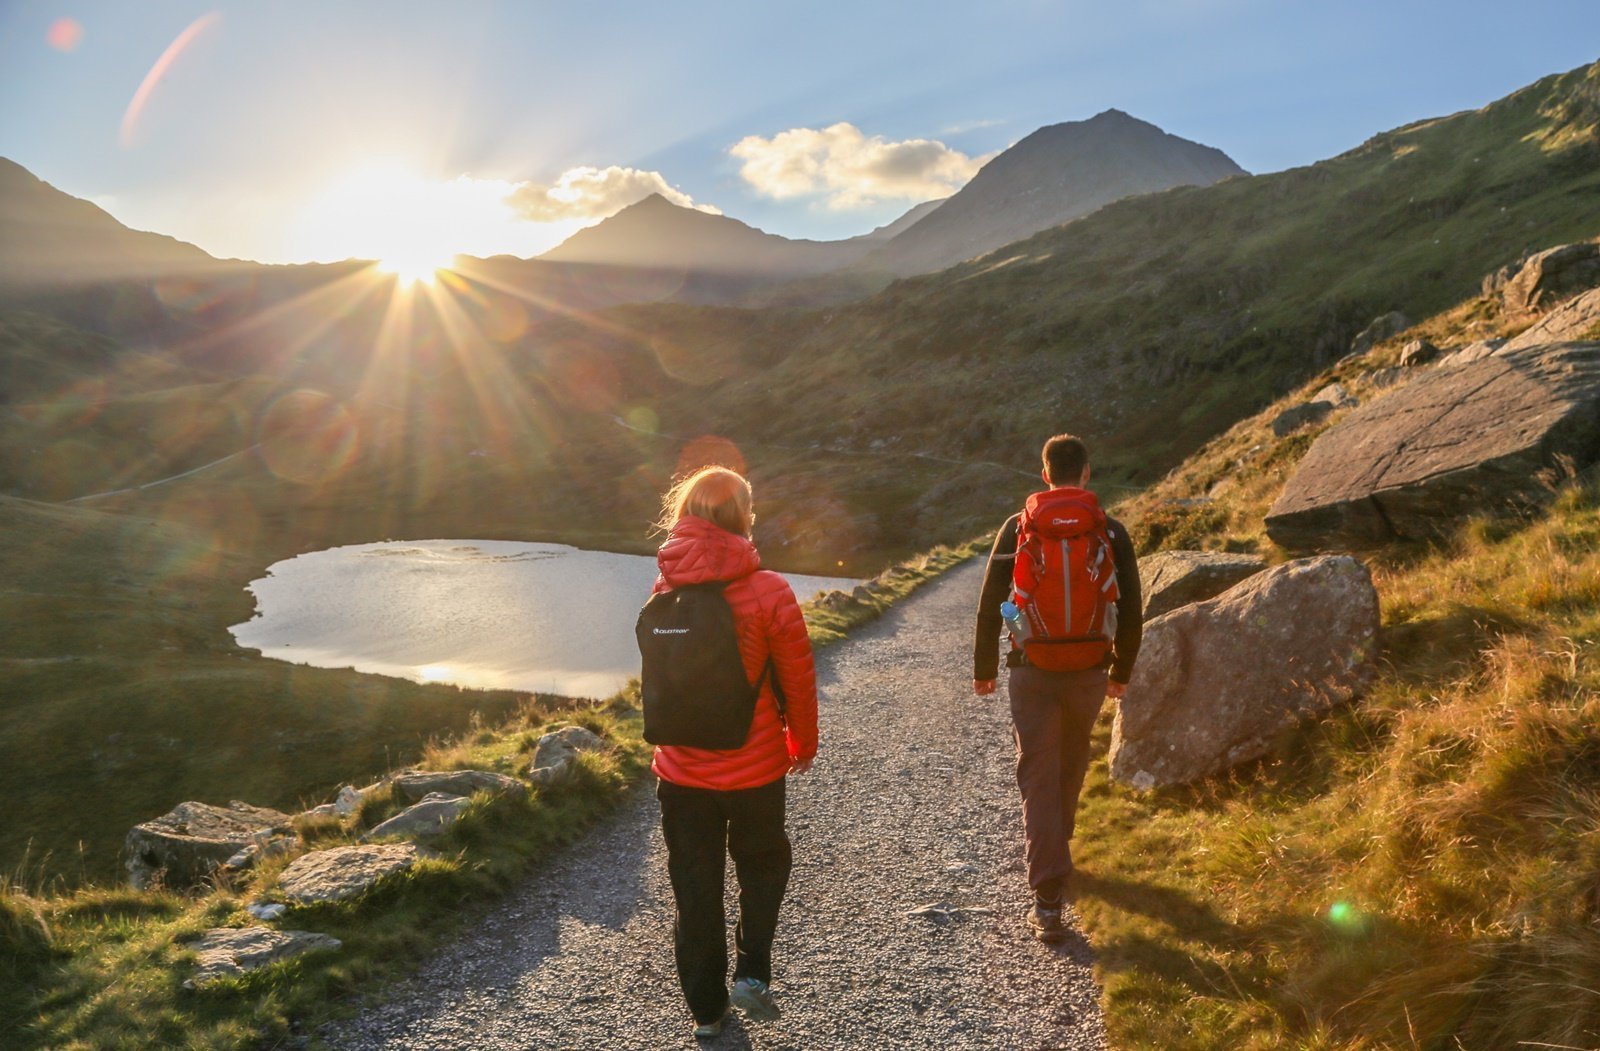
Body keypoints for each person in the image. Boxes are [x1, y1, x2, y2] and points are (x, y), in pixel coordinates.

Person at [647, 465, 819, 1040]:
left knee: (694, 885)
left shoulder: (665, 588)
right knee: (763, 865)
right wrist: (803, 740)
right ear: (742, 515)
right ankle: (752, 972)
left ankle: (706, 1011)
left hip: (680, 769)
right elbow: (796, 678)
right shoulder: (770, 590)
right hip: (756, 767)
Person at [972, 434, 1142, 941]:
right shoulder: (1109, 530)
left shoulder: (1017, 528)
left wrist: (990, 660)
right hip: (1091, 665)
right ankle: (1057, 847)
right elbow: (1130, 608)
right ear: (1086, 473)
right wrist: (1121, 671)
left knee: (1037, 772)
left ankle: (1048, 899)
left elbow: (992, 601)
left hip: (1031, 665)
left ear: (1045, 474)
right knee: (1070, 762)